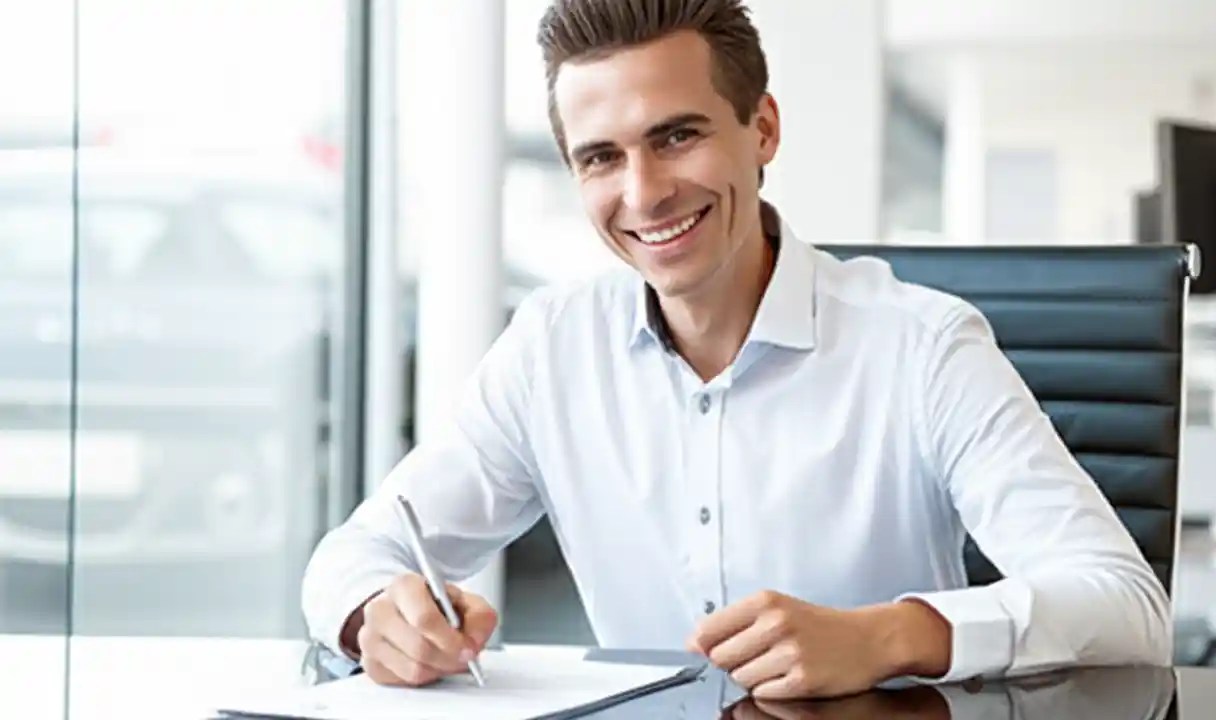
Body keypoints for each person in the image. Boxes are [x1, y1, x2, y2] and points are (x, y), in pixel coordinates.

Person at [302, 0, 1171, 700]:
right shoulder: (551, 348)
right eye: (601, 158)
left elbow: (1126, 605)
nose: (644, 193)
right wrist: (377, 612)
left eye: (676, 136)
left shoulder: (924, 347)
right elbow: (354, 555)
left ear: (763, 130)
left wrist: (887, 635)